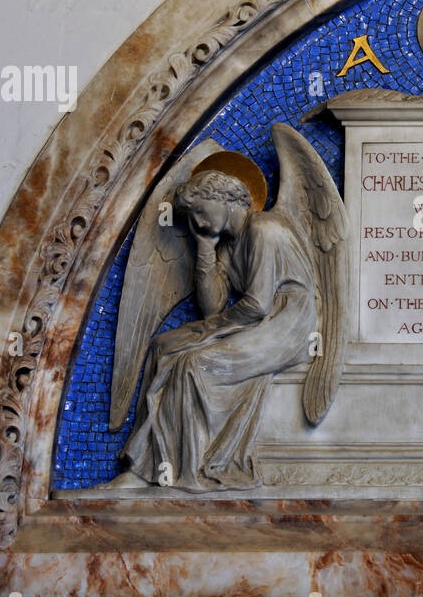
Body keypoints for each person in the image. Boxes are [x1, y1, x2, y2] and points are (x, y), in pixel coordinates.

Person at [114, 169, 317, 490]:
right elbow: (212, 306)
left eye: (199, 211)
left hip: (287, 324)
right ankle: (146, 468)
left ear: (223, 200)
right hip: (257, 320)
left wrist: (207, 331)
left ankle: (188, 469)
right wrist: (205, 248)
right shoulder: (229, 245)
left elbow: (258, 305)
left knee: (196, 363)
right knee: (163, 346)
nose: (196, 222)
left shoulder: (264, 230)